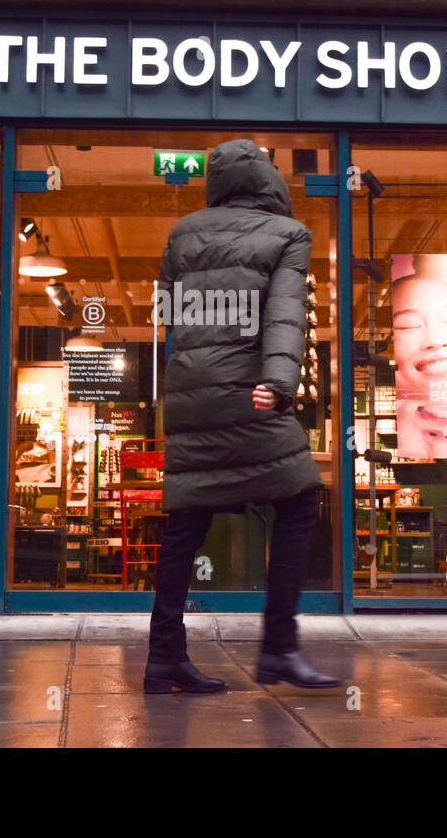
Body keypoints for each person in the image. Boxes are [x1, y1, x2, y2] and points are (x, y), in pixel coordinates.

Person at [145, 138, 341, 694]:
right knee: (301, 498)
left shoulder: (182, 232)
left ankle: (163, 660)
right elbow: (285, 313)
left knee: (186, 522)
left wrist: (187, 374)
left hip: (188, 394)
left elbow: (167, 314)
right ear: (266, 180)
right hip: (250, 390)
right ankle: (279, 647)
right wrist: (279, 384)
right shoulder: (288, 235)